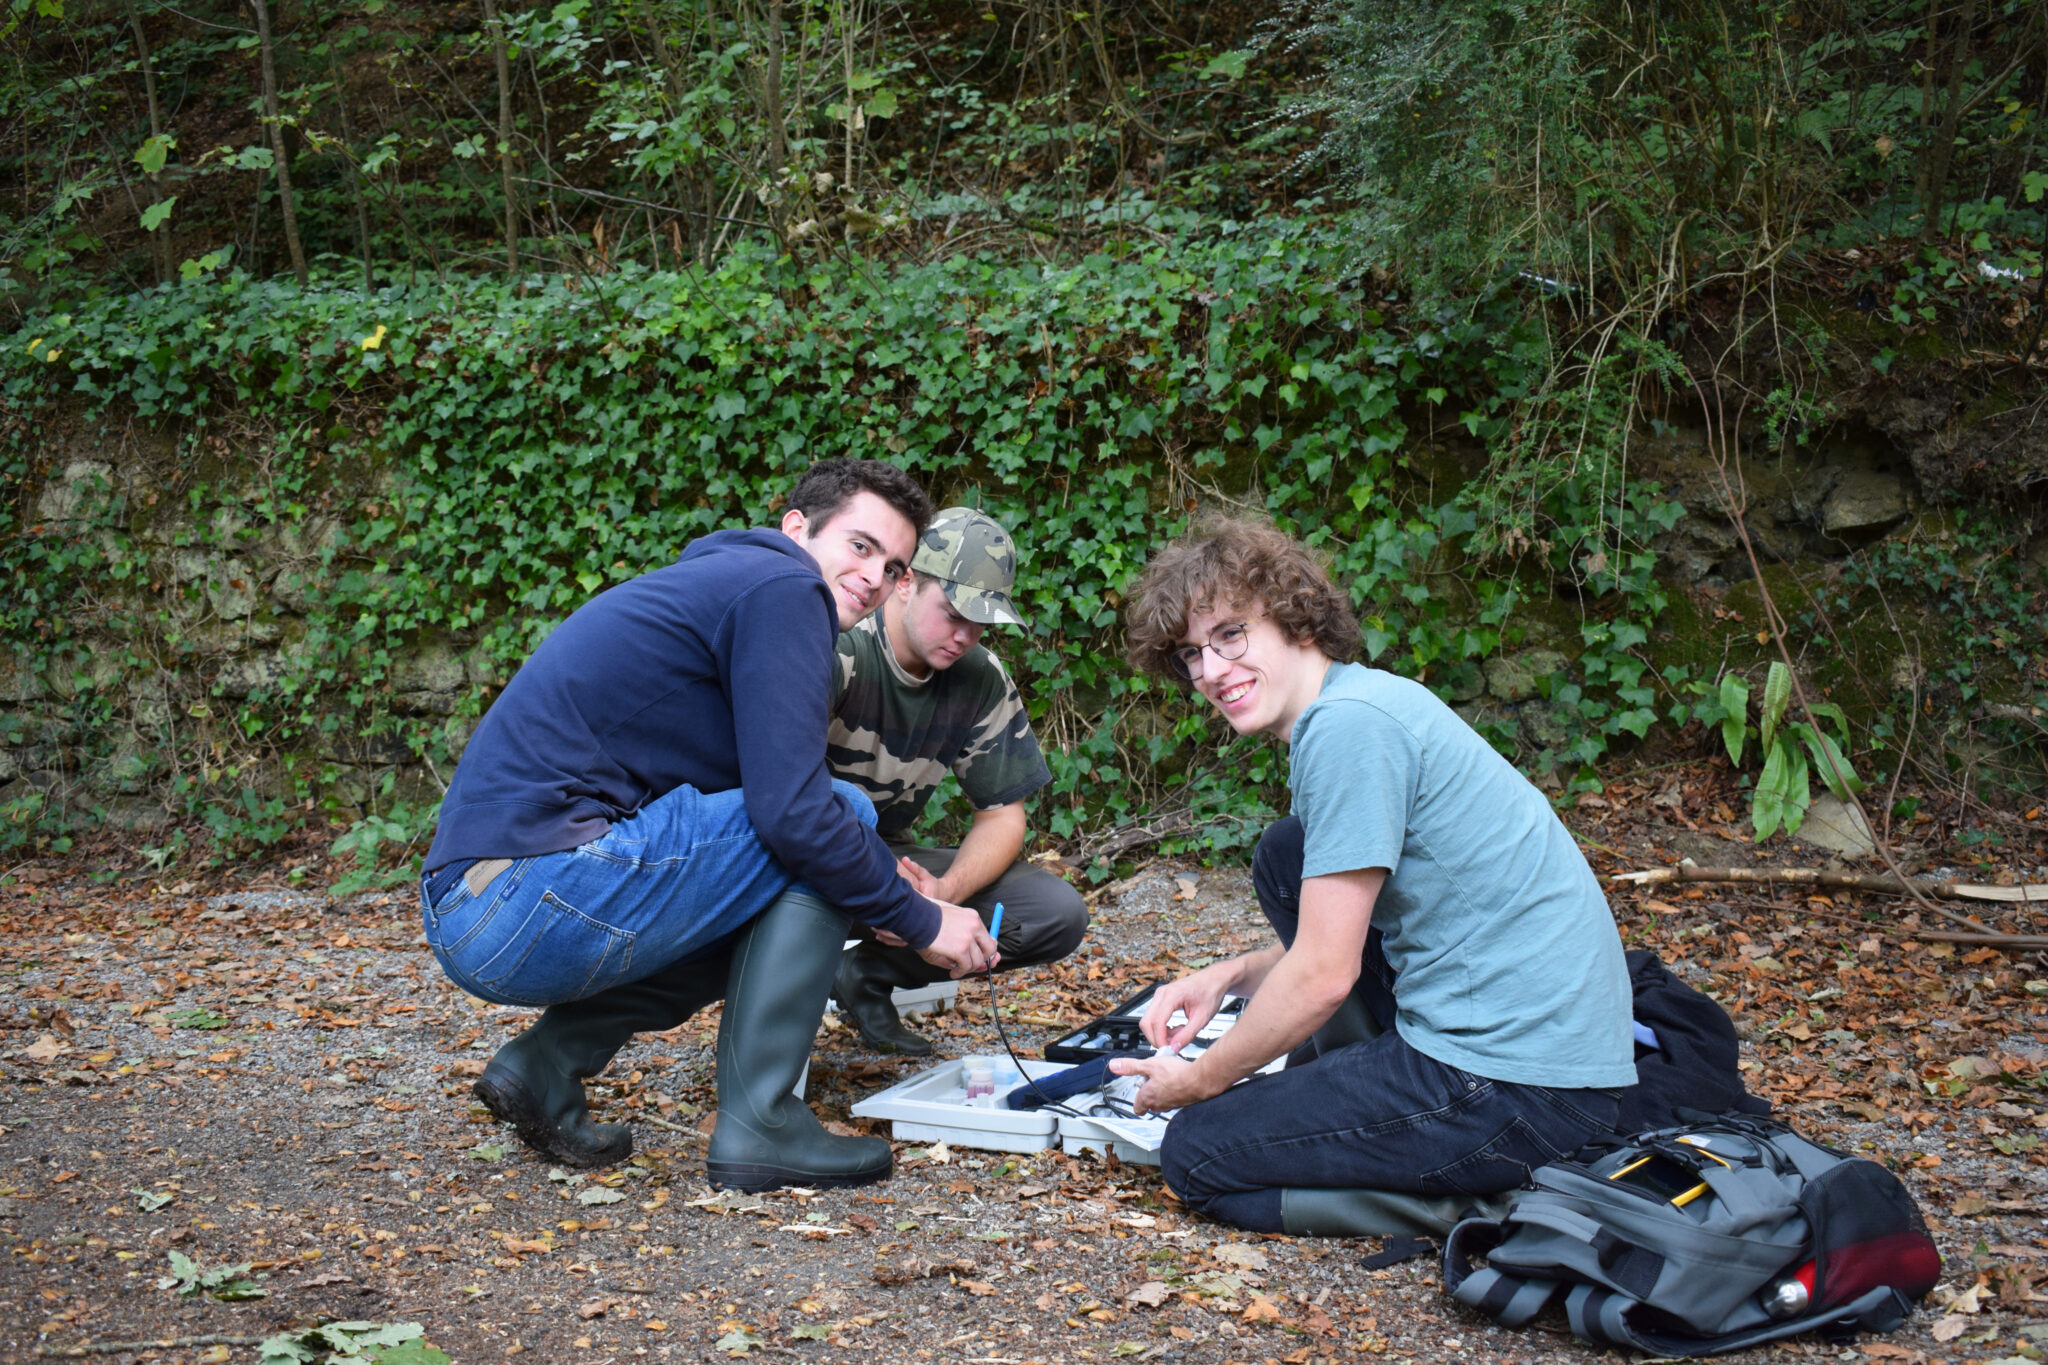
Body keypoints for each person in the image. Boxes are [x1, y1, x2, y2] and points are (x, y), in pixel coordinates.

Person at [418, 459, 998, 1192]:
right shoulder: (785, 588)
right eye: (859, 546)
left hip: (484, 901)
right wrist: (920, 919)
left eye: (892, 567)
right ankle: (763, 1123)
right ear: (796, 528)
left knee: (774, 896)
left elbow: (753, 832)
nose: (874, 577)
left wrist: (875, 890)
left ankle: (546, 1063)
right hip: (530, 888)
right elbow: (794, 813)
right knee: (840, 814)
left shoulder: (733, 591)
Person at [1111, 516, 1636, 1237]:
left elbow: (1326, 972)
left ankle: (1488, 1206)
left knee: (1200, 1153)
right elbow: (1346, 934)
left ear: (1293, 617)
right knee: (1287, 855)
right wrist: (1229, 976)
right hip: (1545, 1069)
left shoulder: (1349, 730)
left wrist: (1199, 1080)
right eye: (1191, 654)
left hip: (1518, 1090)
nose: (1210, 670)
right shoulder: (1359, 703)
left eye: (1231, 633)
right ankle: (1369, 1102)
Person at [825, 507, 1088, 1055]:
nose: (965, 636)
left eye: (981, 622)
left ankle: (866, 975)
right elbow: (778, 802)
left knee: (1054, 914)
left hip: (894, 862)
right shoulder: (839, 651)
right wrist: (892, 895)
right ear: (904, 584)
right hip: (807, 854)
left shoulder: (980, 679)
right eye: (952, 613)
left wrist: (941, 895)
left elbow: (1002, 815)